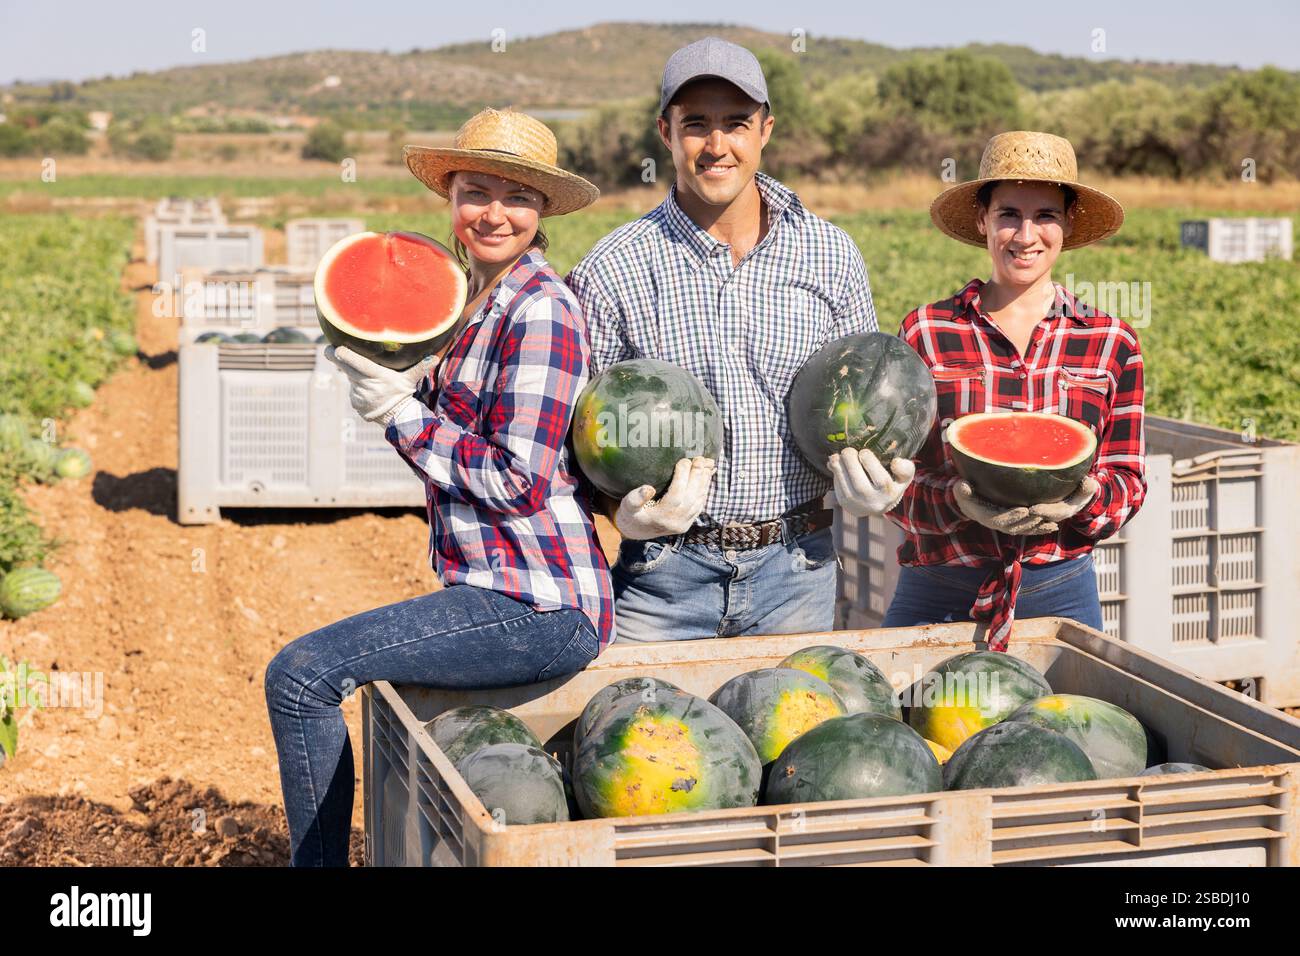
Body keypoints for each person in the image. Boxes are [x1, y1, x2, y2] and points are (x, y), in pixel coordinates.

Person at [264, 108, 613, 866]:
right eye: (475, 191)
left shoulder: (541, 309)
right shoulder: (472, 304)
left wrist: (399, 414)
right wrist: (407, 389)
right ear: (449, 197)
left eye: (516, 197)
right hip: (494, 588)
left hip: (539, 603)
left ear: (543, 209)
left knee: (300, 677)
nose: (493, 212)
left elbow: (518, 481)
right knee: (320, 677)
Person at [567, 37, 905, 644]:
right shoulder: (612, 267)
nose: (717, 145)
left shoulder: (830, 254)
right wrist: (624, 515)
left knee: (789, 739)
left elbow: (872, 402)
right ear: (664, 132)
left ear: (766, 130)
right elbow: (580, 437)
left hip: (799, 569)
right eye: (696, 124)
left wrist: (879, 478)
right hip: (661, 578)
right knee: (646, 738)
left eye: (736, 124)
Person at [882, 130, 1147, 650]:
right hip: (938, 585)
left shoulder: (1112, 341)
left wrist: (1087, 502)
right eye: (1008, 214)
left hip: (1060, 588)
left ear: (1068, 225)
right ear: (983, 220)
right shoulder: (926, 331)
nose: (1026, 235)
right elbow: (896, 483)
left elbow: (1129, 481)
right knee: (905, 725)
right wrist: (956, 502)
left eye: (1046, 215)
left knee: (1064, 729)